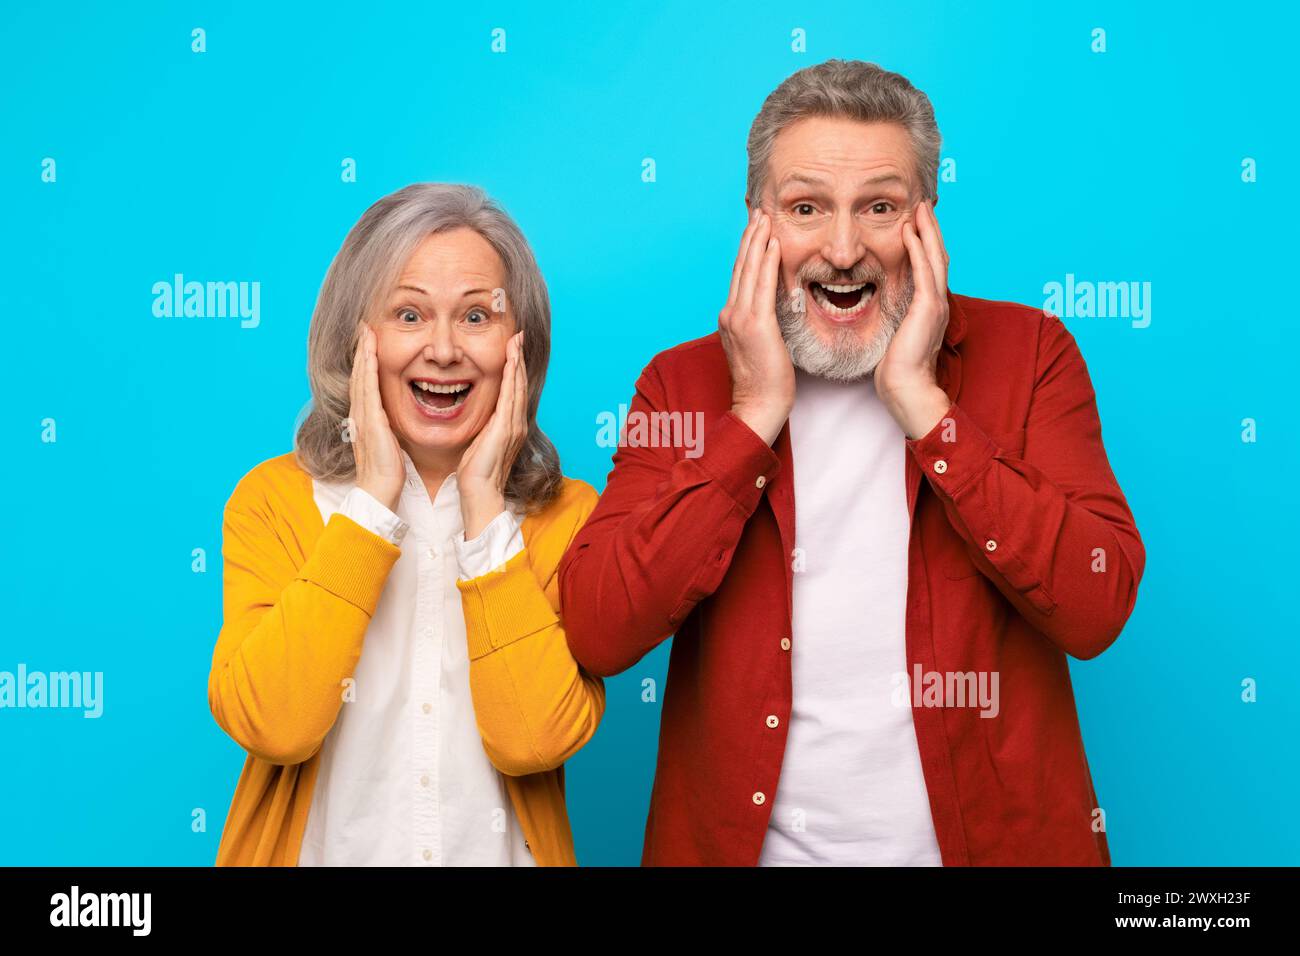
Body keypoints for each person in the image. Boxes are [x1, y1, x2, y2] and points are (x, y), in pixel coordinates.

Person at [559, 60, 1145, 866]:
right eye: (807, 208)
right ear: (756, 223)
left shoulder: (1032, 354)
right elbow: (598, 628)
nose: (843, 249)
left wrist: (925, 407)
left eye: (879, 207)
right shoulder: (682, 385)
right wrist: (752, 417)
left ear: (925, 221)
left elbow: (1097, 602)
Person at [209, 183, 603, 866]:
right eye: (409, 314)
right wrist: (372, 504)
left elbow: (532, 739)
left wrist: (483, 511)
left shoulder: (569, 518)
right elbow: (276, 725)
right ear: (355, 339)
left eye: (477, 316)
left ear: (520, 344)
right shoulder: (273, 501)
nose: (444, 350)